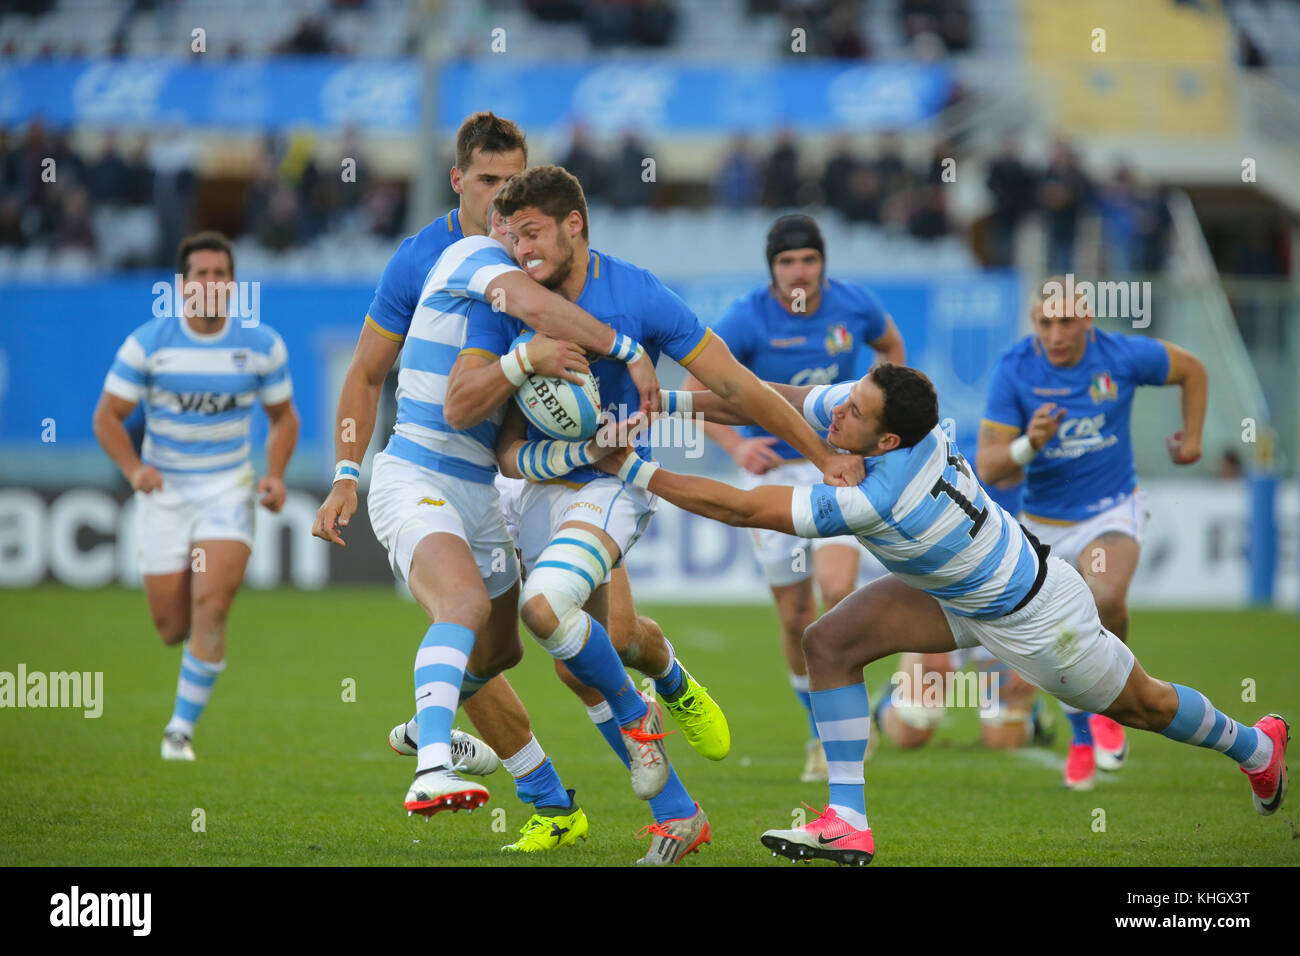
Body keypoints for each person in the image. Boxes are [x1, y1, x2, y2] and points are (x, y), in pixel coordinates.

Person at [609, 364, 1287, 865]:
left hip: (1039, 618)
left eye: (853, 413)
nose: (838, 412)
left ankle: (1254, 746)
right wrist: (662, 401)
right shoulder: (893, 419)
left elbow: (743, 507)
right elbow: (777, 399)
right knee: (830, 642)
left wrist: (632, 467)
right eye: (847, 400)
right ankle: (847, 819)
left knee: (1145, 705)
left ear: (885, 441)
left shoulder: (880, 498)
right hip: (964, 591)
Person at [446, 164, 866, 861]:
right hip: (539, 488)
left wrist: (821, 455)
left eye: (533, 233)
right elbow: (501, 442)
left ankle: (642, 727)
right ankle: (669, 687)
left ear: (574, 225)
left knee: (547, 612)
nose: (520, 251)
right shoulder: (506, 301)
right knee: (595, 651)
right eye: (510, 235)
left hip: (613, 486)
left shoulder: (637, 294)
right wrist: (541, 413)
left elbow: (734, 383)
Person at [311, 112, 659, 853]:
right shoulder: (457, 257)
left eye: (513, 186)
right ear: (459, 181)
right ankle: (437, 762)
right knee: (463, 605)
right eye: (490, 184)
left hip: (491, 483)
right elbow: (372, 371)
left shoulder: (527, 253)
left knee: (502, 652)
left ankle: (434, 719)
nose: (502, 203)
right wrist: (346, 472)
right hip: (417, 471)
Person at [686, 213, 905, 782]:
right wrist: (736, 445)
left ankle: (847, 722)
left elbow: (890, 346)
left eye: (808, 259)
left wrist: (886, 419)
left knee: (836, 589)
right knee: (794, 618)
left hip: (836, 469)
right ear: (772, 270)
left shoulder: (854, 306)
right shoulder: (746, 317)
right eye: (787, 262)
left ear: (823, 262)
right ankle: (818, 728)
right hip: (775, 477)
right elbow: (693, 390)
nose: (798, 271)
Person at [975, 280, 1208, 790]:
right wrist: (1028, 445)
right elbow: (989, 466)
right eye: (1045, 323)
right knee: (1056, 636)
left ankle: (1108, 706)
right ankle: (1084, 730)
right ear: (1033, 323)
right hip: (1042, 523)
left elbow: (1192, 369)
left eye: (1066, 322)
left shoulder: (1121, 354)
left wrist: (1192, 440)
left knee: (1103, 596)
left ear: (1087, 320)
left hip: (1110, 509)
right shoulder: (1015, 368)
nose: (1055, 334)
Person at [93, 231, 299, 761]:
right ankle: (190, 666)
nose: (210, 283)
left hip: (228, 489)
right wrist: (135, 469)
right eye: (201, 274)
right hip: (165, 492)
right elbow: (107, 418)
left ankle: (178, 732)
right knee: (171, 626)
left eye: (220, 274)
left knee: (212, 605)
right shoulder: (149, 342)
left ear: (233, 285)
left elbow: (284, 419)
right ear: (183, 285)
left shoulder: (260, 346)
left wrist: (274, 475)